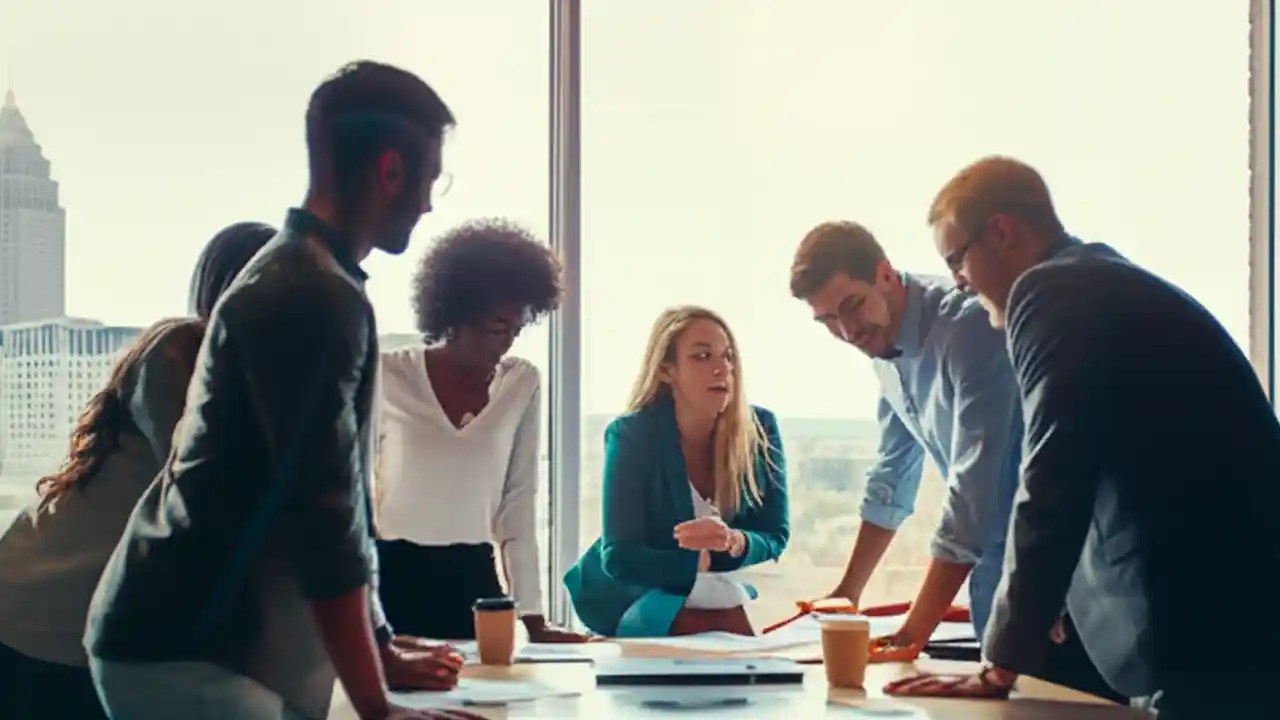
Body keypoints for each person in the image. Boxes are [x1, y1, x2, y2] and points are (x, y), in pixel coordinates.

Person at [84, 62, 483, 720]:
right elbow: (322, 519)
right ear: (391, 171)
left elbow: (348, 507)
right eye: (431, 178)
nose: (430, 202)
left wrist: (380, 650)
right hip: (184, 650)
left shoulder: (317, 280)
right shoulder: (310, 296)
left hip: (202, 644)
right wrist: (378, 707)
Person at [885, 156, 1279, 716]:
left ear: (1001, 233)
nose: (959, 283)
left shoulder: (1048, 293)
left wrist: (1000, 664)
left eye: (956, 259)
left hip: (1205, 633)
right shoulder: (1095, 280)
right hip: (1230, 618)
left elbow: (1052, 477)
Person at [0, 222, 273, 720]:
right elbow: (206, 488)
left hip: (91, 624)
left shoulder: (256, 385)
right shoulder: (179, 350)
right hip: (40, 607)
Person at [788, 222, 1021, 657]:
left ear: (885, 274)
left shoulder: (969, 328)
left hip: (1052, 571)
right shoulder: (882, 345)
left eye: (852, 306)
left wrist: (914, 632)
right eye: (828, 322)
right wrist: (847, 592)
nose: (847, 331)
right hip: (987, 573)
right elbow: (894, 474)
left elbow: (973, 495)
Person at [376, 218, 586, 643]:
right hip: (390, 581)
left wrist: (533, 618)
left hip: (474, 582)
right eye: (496, 328)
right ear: (454, 313)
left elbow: (518, 503)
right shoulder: (386, 375)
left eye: (516, 329)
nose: (505, 342)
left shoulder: (521, 383)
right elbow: (355, 498)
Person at [565, 306, 789, 637]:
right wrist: (695, 561)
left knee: (738, 630)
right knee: (721, 630)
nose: (721, 369)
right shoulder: (632, 435)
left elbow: (774, 534)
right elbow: (619, 557)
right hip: (628, 592)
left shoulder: (760, 429)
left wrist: (734, 541)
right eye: (702, 356)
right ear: (667, 370)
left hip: (713, 588)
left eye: (727, 357)